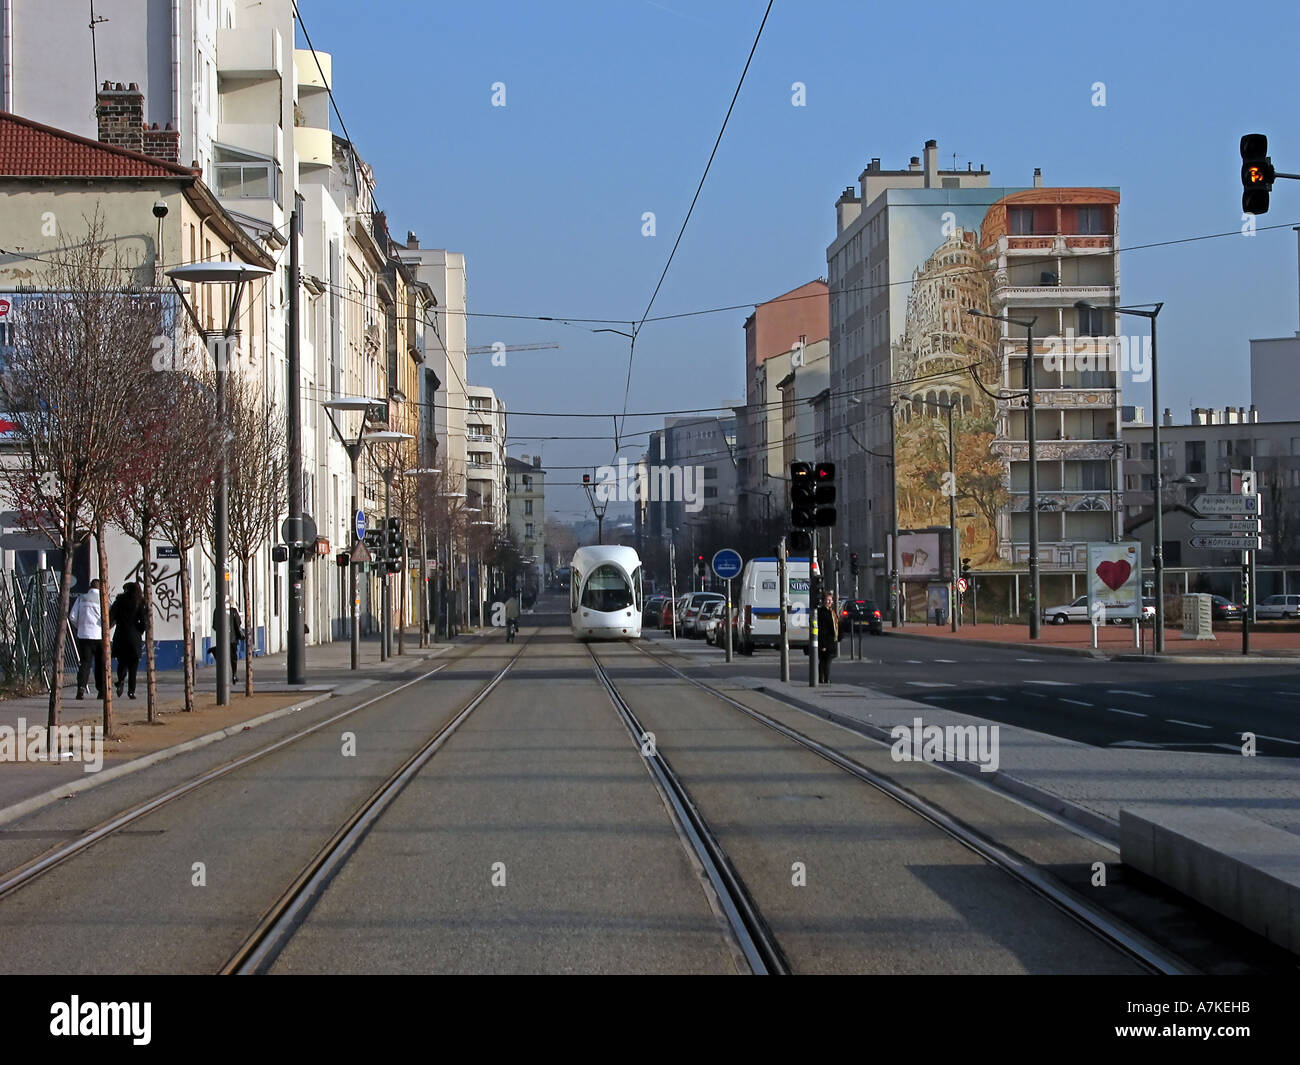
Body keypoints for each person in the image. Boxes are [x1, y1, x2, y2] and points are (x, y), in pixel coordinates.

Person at [109, 582, 147, 699]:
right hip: (134, 637)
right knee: (133, 666)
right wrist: (139, 631)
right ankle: (131, 691)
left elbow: (111, 618)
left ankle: (120, 680)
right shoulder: (139, 603)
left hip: (120, 635)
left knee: (122, 662)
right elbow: (144, 622)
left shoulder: (118, 602)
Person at [69, 579, 105, 700]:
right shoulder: (103, 599)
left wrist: (80, 626)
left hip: (84, 635)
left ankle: (81, 688)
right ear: (100, 588)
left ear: (90, 586)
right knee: (100, 664)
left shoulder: (81, 598)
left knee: (85, 663)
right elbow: (109, 617)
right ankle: (101, 690)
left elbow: (72, 616)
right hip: (99, 636)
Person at [208, 604, 243, 682]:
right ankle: (234, 674)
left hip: (221, 638)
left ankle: (223, 675)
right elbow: (239, 622)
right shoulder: (233, 611)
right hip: (232, 639)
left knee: (222, 656)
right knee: (233, 657)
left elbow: (214, 626)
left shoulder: (217, 611)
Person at [817, 592, 839, 685]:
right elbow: (822, 629)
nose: (830, 602)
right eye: (828, 600)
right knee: (825, 661)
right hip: (826, 641)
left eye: (831, 600)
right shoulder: (822, 612)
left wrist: (839, 636)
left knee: (825, 660)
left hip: (831, 640)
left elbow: (836, 625)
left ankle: (823, 678)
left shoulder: (832, 611)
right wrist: (823, 644)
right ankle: (824, 679)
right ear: (824, 601)